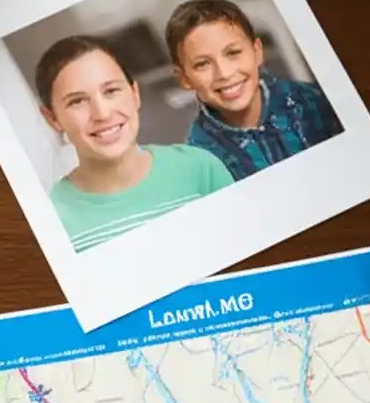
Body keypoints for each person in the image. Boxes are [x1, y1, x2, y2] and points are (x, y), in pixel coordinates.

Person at [36, 36, 234, 254]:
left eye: (111, 91)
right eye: (77, 101)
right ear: (53, 118)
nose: (102, 113)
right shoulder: (50, 224)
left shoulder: (201, 169)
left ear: (135, 95)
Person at [167, 0, 344, 181]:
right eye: (202, 64)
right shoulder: (201, 163)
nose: (224, 73)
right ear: (184, 78)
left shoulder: (319, 103)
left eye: (233, 53)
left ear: (257, 52)